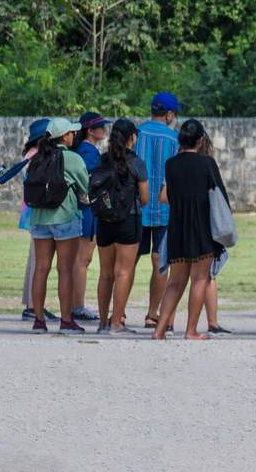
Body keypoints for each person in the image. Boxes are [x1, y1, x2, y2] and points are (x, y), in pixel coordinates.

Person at [153, 119, 229, 340]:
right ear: (201, 139)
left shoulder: (170, 165)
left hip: (177, 226)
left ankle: (159, 330)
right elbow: (220, 196)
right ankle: (191, 330)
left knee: (175, 282)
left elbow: (170, 195)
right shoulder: (207, 164)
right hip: (202, 228)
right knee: (200, 279)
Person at [27, 118, 91, 335]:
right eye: (72, 133)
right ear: (64, 136)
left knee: (41, 268)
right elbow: (85, 188)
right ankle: (66, 320)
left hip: (39, 218)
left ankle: (38, 320)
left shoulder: (37, 158)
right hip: (64, 217)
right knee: (65, 269)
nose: (74, 136)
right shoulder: (72, 158)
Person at [94, 118, 149, 334]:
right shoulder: (137, 163)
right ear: (131, 138)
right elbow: (144, 198)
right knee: (123, 272)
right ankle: (116, 322)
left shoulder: (103, 160)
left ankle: (101, 323)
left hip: (104, 221)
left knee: (105, 273)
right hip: (128, 221)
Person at [135, 91, 180, 330]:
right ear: (169, 114)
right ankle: (153, 313)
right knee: (160, 262)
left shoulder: (137, 134)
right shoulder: (174, 139)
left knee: (127, 263)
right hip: (164, 209)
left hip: (136, 208)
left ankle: (118, 313)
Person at [70, 110, 110, 322]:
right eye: (101, 126)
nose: (104, 130)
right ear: (90, 130)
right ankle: (77, 306)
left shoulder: (85, 149)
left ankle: (75, 304)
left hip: (84, 209)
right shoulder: (89, 152)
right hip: (86, 210)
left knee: (81, 258)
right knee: (82, 259)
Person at [17, 117, 58, 323]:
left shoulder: (30, 155)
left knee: (34, 259)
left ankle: (31, 303)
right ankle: (34, 305)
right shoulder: (37, 157)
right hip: (37, 213)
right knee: (37, 260)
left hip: (31, 212)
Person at [194, 130, 232, 335]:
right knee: (208, 276)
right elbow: (220, 194)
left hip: (185, 224)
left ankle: (169, 321)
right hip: (207, 224)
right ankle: (212, 322)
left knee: (179, 277)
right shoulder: (208, 164)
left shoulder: (177, 163)